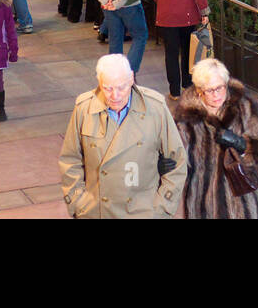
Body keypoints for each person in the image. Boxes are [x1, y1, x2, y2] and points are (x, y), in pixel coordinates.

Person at [58, 53, 187, 219]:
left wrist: (161, 208)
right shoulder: (84, 108)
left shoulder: (155, 108)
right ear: (99, 82)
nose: (115, 96)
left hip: (142, 212)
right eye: (108, 88)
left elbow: (177, 161)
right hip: (96, 212)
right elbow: (70, 160)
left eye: (121, 87)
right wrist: (78, 203)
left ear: (132, 78)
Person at [173, 58, 258, 219]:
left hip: (241, 198)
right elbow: (176, 158)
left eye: (220, 88)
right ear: (199, 90)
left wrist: (242, 144)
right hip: (203, 202)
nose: (216, 94)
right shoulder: (186, 117)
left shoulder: (242, 104)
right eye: (209, 90)